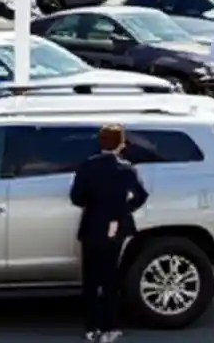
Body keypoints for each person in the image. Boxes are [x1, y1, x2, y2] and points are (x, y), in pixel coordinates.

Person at [70, 124, 149, 343]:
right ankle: (110, 327)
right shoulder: (126, 169)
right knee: (110, 277)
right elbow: (141, 196)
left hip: (92, 225)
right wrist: (123, 210)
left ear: (100, 142)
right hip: (116, 227)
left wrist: (92, 203)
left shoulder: (87, 166)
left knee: (91, 279)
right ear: (121, 144)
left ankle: (91, 327)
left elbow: (76, 197)